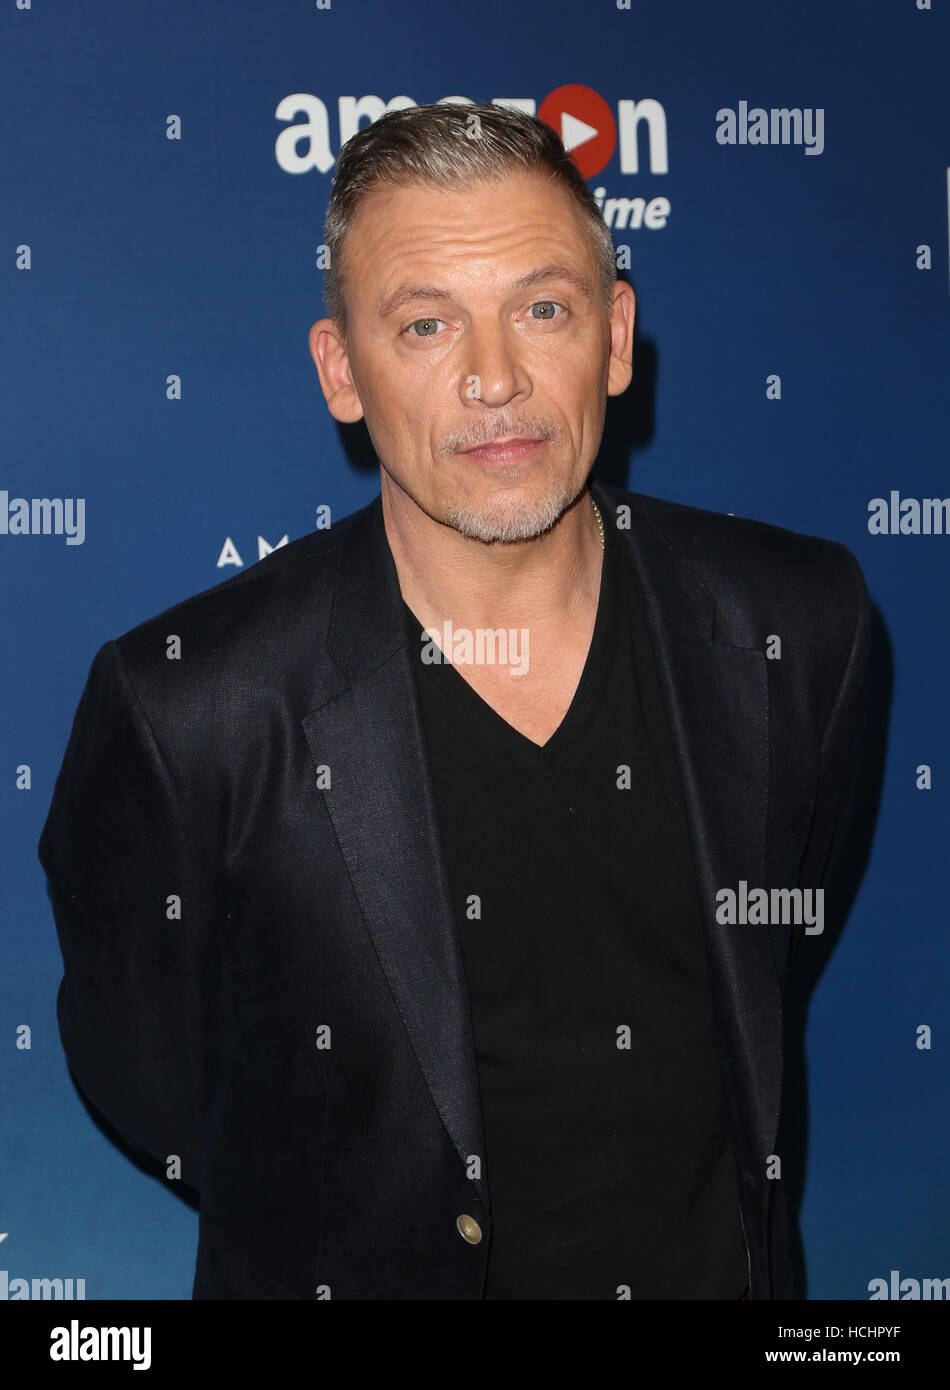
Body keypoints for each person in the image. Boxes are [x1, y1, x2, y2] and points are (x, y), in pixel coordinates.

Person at [38, 101, 870, 1300]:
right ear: (341, 371)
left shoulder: (798, 626)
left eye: (543, 308)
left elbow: (783, 937)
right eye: (425, 324)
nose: (495, 378)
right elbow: (150, 1076)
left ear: (616, 336)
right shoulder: (189, 706)